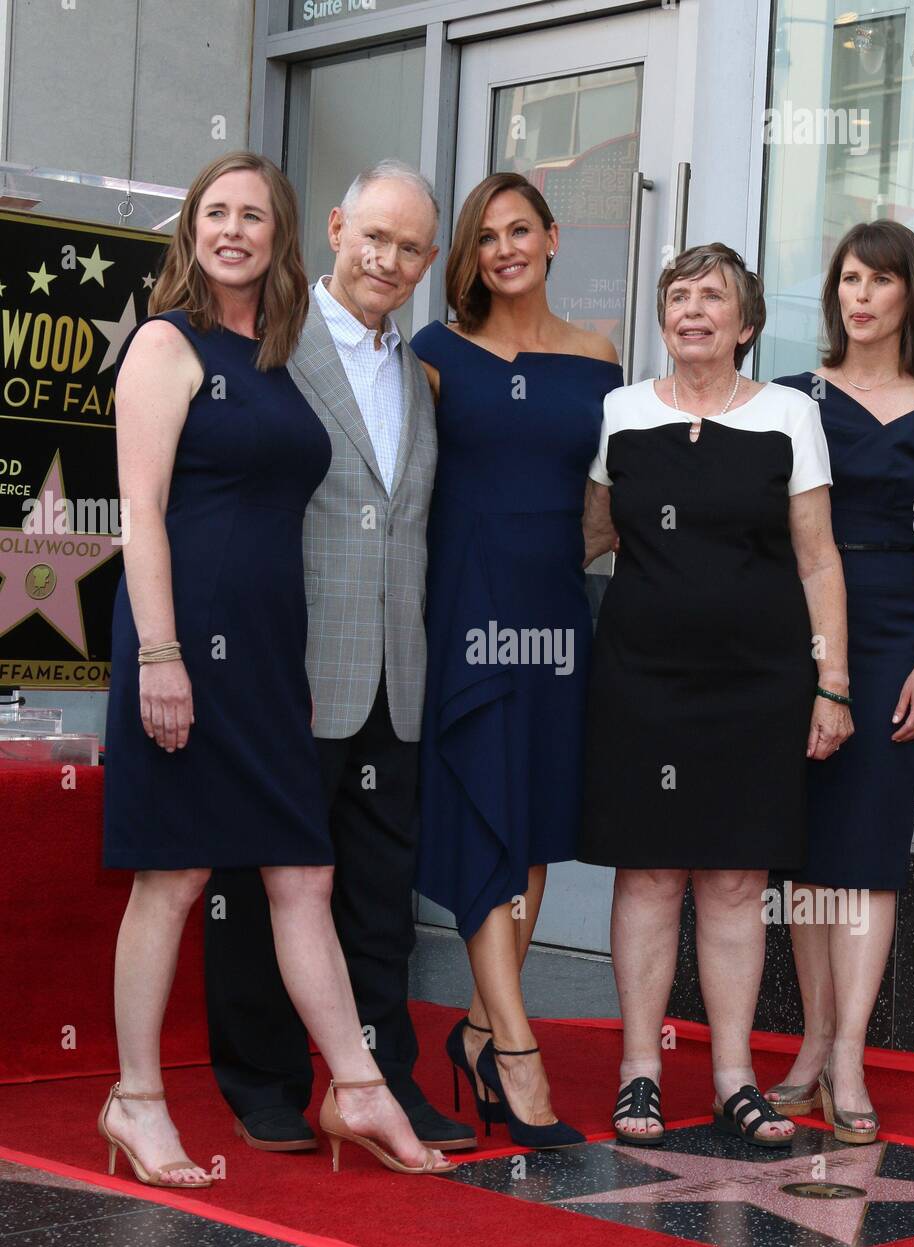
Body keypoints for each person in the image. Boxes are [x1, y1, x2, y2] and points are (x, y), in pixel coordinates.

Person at [100, 151, 451, 1185]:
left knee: (304, 870)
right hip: (182, 638)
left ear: (283, 233)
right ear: (192, 228)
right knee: (173, 879)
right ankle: (135, 1098)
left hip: (265, 650)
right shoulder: (166, 345)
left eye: (254, 215)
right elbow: (141, 517)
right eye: (216, 212)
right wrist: (161, 655)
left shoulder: (280, 350)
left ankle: (355, 1085)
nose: (235, 230)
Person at [204, 161, 475, 1155]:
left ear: (428, 261)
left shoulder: (419, 372)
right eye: (374, 237)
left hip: (392, 678)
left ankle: (381, 1078)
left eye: (409, 247)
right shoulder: (268, 347)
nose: (388, 260)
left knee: (376, 900)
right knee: (260, 885)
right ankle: (263, 1080)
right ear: (332, 227)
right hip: (286, 665)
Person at [580, 244, 852, 1148]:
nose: (693, 309)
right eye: (679, 295)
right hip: (642, 680)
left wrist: (833, 684)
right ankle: (640, 1074)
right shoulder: (620, 410)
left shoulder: (787, 415)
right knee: (650, 872)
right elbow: (589, 535)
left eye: (713, 297)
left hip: (760, 684)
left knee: (736, 879)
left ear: (746, 323)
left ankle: (735, 1078)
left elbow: (817, 556)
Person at [410, 173, 623, 1148]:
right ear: (470, 253)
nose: (503, 248)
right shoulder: (435, 355)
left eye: (519, 230)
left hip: (552, 609)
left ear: (550, 238)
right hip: (464, 601)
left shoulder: (597, 355)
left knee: (530, 826)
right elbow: (403, 485)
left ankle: (479, 1032)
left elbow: (605, 496)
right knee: (486, 814)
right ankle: (516, 1052)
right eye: (484, 236)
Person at [766, 221, 914, 1143]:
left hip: (896, 629)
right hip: (801, 632)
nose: (859, 295)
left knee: (868, 848)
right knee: (808, 852)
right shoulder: (792, 398)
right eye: (848, 278)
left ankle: (848, 1053)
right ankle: (811, 1045)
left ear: (909, 297)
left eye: (879, 281)